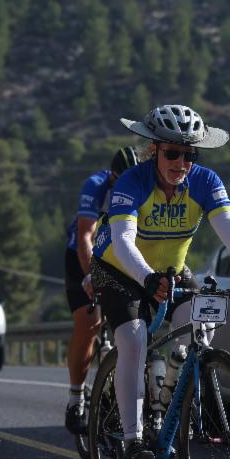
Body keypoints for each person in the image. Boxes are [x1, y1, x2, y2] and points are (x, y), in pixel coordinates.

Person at [91, 105, 230, 459]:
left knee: (200, 329)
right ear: (154, 151)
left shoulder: (206, 182)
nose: (181, 162)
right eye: (172, 153)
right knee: (133, 339)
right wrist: (146, 279)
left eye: (189, 154)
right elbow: (124, 241)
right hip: (120, 268)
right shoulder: (133, 182)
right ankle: (132, 441)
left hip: (171, 272)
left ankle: (170, 390)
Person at [62, 146, 139, 436]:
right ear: (112, 177)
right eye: (120, 182)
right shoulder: (95, 185)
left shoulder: (144, 185)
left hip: (119, 257)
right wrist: (90, 276)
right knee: (88, 323)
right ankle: (75, 399)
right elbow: (84, 234)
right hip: (83, 256)